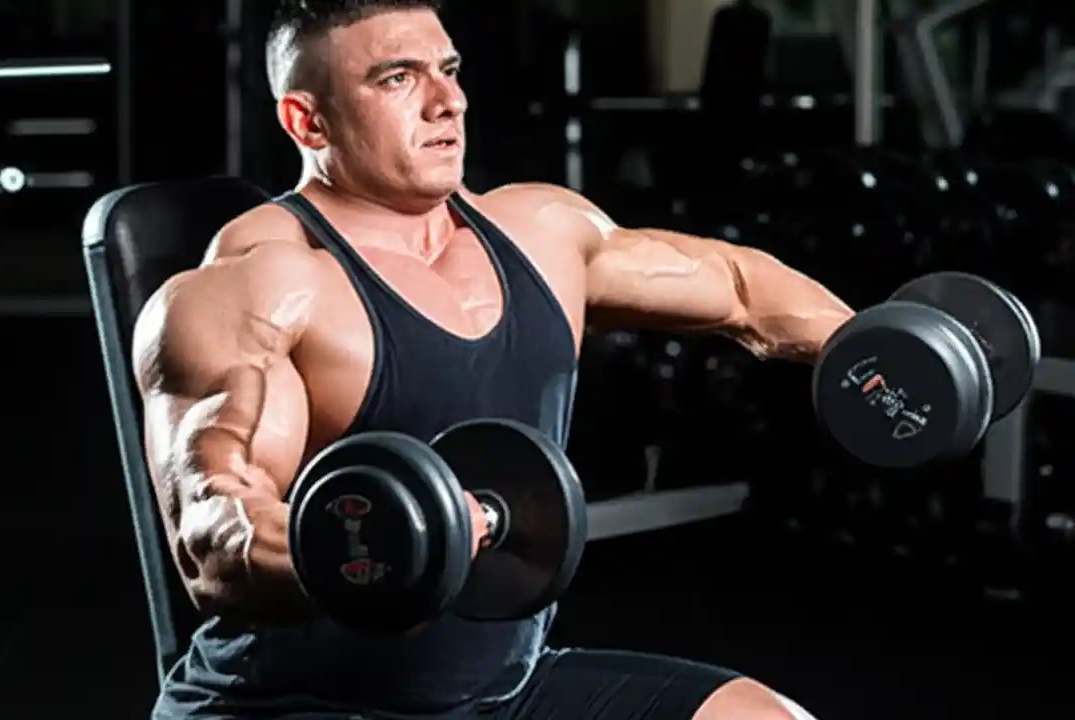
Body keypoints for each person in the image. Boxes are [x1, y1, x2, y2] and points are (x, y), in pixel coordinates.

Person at [134, 1, 854, 717]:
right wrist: (388, 548)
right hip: (290, 705)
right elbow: (213, 534)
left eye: (448, 70)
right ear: (307, 121)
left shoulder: (541, 234)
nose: (448, 102)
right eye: (397, 79)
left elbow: (736, 287)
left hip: (499, 695)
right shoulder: (264, 281)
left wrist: (879, 347)